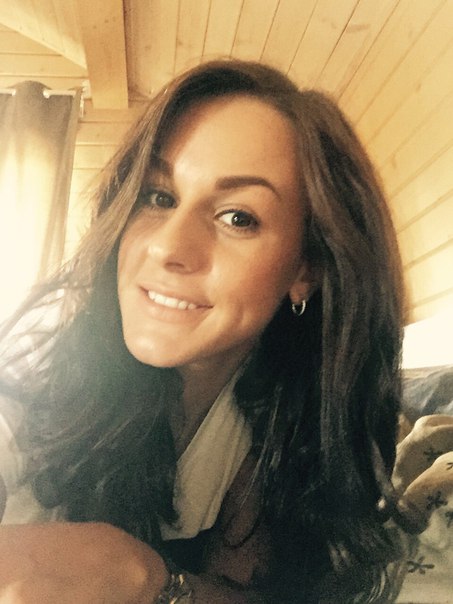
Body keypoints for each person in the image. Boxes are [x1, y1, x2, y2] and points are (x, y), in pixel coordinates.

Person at [0, 59, 406, 603]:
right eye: (158, 196)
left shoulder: (287, 404)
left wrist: (148, 578)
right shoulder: (28, 382)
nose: (167, 246)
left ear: (306, 268)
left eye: (238, 217)